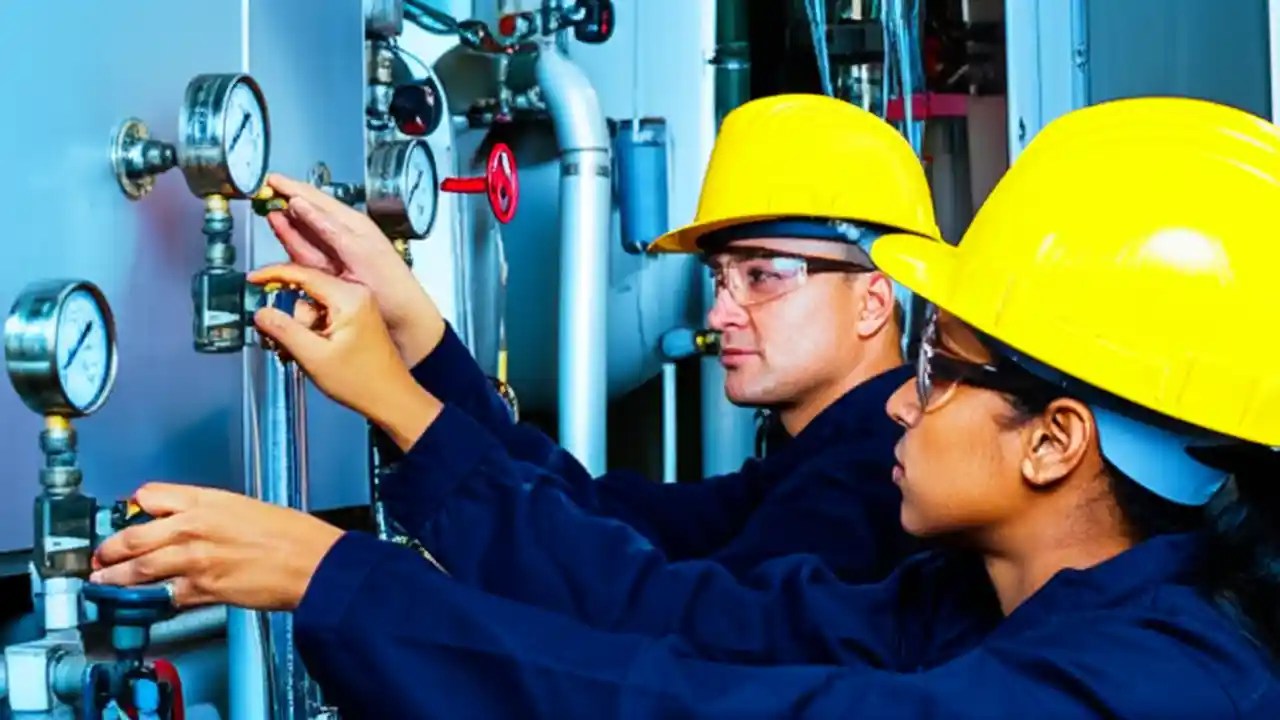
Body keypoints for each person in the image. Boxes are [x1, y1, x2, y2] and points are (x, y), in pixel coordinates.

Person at [93, 96, 1280, 717]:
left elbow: (687, 703)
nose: (903, 414)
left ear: (1058, 440)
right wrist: (423, 367)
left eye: (939, 369)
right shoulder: (975, 602)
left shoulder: (1150, 690)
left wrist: (337, 574)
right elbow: (665, 605)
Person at [267, 94, 939, 585]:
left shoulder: (874, 483)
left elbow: (649, 617)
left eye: (761, 276)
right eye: (720, 279)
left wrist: (394, 404)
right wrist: (416, 331)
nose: (719, 315)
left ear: (873, 302)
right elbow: (601, 517)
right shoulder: (809, 466)